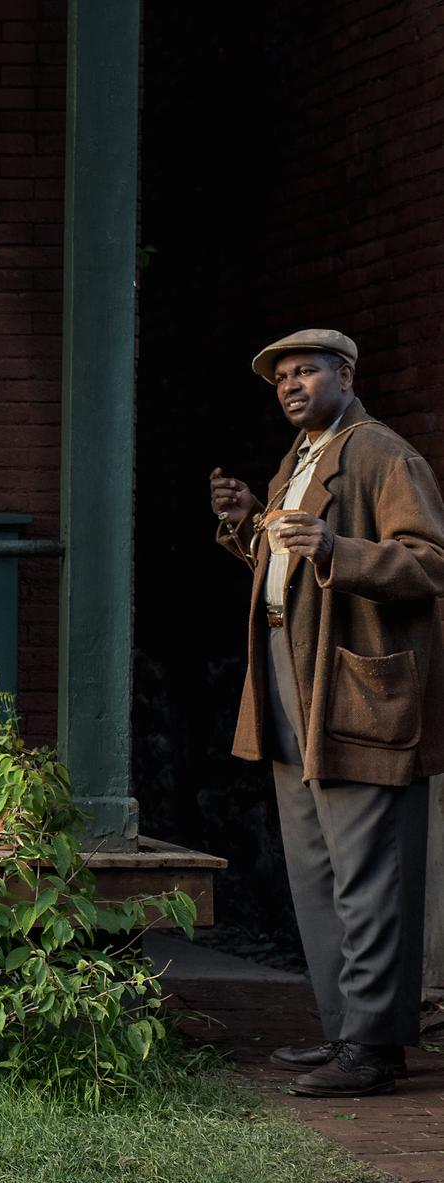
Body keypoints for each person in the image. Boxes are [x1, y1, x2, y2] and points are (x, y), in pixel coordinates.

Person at [209, 328, 444, 1097]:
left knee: (369, 870)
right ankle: (346, 1031)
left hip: (357, 686)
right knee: (316, 867)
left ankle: (374, 1048)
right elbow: (291, 561)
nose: (290, 386)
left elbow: (430, 564)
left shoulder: (382, 454)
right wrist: (250, 521)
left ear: (344, 375)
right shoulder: (298, 460)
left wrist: (337, 547)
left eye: (305, 371)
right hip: (291, 674)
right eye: (281, 377)